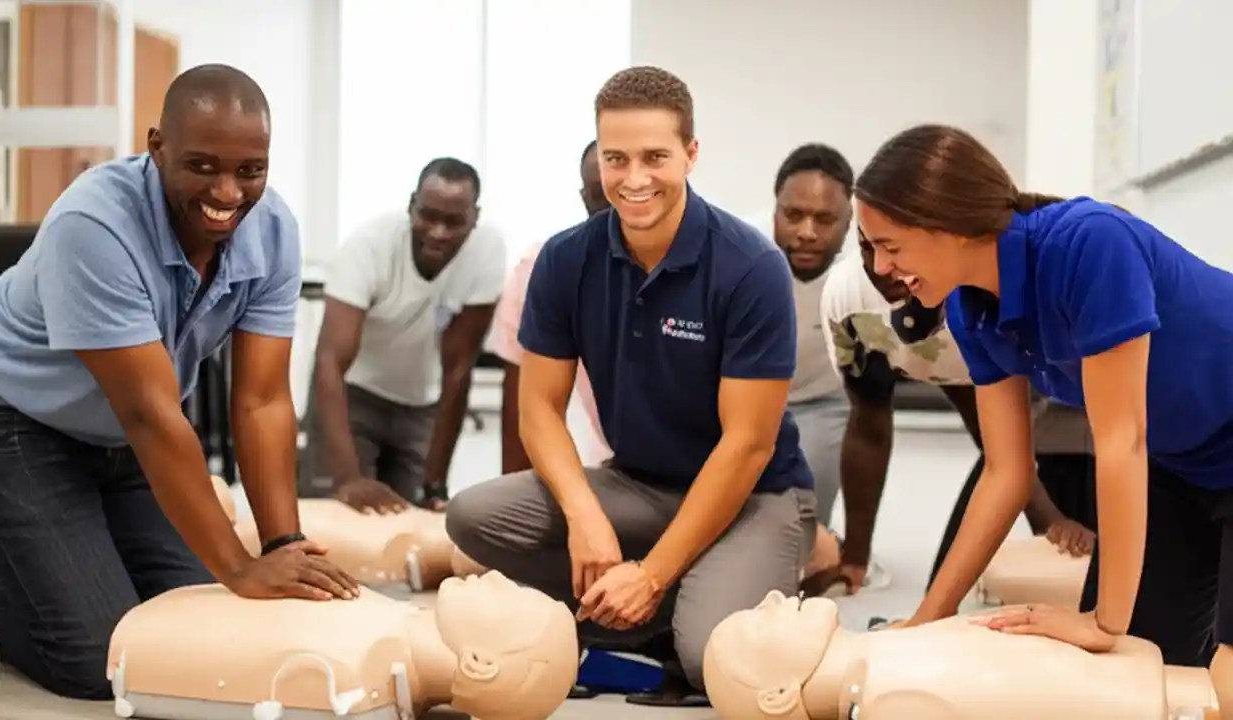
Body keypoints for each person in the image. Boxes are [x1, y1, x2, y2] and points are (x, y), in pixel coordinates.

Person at [0, 64, 358, 700]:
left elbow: (262, 400)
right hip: (1, 417)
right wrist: (237, 566)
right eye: (202, 165)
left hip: (118, 436)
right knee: (101, 657)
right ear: (157, 145)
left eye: (249, 169)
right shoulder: (95, 224)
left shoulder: (272, 229)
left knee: (196, 621)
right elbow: (149, 415)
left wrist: (282, 545)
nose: (228, 191)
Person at [446, 65, 815, 699]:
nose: (635, 179)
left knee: (709, 659)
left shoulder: (751, 266)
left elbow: (748, 446)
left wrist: (648, 575)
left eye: (655, 157)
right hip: (638, 484)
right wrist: (584, 514)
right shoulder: (565, 260)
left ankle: (681, 597)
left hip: (754, 494)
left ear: (691, 155)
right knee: (474, 516)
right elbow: (537, 408)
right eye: (617, 159)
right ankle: (664, 599)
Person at [853, 123, 1233, 704]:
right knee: (1114, 687)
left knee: (1223, 687)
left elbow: (1121, 441)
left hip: (1193, 442)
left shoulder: (1089, 246)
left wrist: (1104, 623)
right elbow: (1006, 472)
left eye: (889, 245)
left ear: (946, 224)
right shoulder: (968, 310)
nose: (881, 267)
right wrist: (925, 619)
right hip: (1181, 461)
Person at [817, 221, 1097, 595]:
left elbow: (1004, 444)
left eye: (895, 249)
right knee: (950, 590)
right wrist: (855, 558)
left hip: (1082, 422)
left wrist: (1051, 523)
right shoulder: (847, 298)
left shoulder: (984, 298)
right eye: (869, 247)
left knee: (1091, 580)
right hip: (990, 402)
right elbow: (869, 419)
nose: (883, 265)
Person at [303, 158, 506, 512]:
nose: (438, 231)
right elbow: (330, 361)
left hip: (420, 405)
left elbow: (459, 369)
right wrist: (348, 478)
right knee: (335, 519)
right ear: (411, 205)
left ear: (475, 218)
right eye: (428, 215)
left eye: (454, 221)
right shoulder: (369, 246)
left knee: (410, 525)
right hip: (351, 395)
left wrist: (435, 482)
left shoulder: (487, 252)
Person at [491, 140, 613, 474]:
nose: (616, 213)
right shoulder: (542, 267)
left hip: (691, 468)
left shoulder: (703, 270)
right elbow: (524, 398)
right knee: (477, 511)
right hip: (611, 463)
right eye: (601, 197)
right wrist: (515, 495)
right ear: (585, 198)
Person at [764, 144, 852, 531]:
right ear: (775, 212)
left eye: (824, 219)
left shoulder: (864, 281)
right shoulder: (741, 264)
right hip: (742, 404)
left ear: (848, 221)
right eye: (794, 215)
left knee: (803, 515)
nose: (806, 233)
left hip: (823, 407)